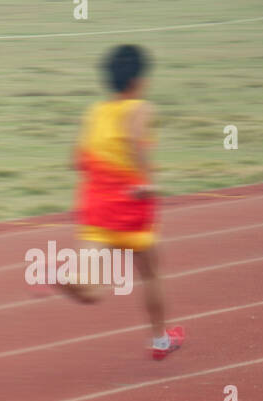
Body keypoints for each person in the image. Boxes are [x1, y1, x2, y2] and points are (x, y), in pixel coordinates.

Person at [56, 44, 183, 359]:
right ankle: (160, 339)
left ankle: (70, 280)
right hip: (131, 207)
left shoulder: (94, 112)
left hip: (96, 210)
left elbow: (75, 161)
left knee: (92, 290)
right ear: (140, 80)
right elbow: (139, 145)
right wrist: (147, 182)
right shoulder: (141, 108)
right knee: (150, 273)